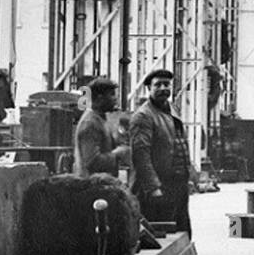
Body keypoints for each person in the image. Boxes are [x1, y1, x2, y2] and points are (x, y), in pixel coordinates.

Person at [129, 68, 192, 234]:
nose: (164, 88)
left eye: (167, 84)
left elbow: (180, 142)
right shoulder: (143, 116)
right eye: (158, 85)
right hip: (159, 187)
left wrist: (188, 175)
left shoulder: (172, 109)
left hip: (177, 184)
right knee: (160, 232)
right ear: (148, 88)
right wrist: (153, 187)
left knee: (181, 229)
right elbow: (140, 156)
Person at [73, 77, 130, 177]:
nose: (115, 98)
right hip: (91, 187)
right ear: (100, 98)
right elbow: (92, 162)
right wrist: (118, 154)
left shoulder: (100, 119)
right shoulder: (90, 123)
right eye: (112, 94)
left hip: (100, 185)